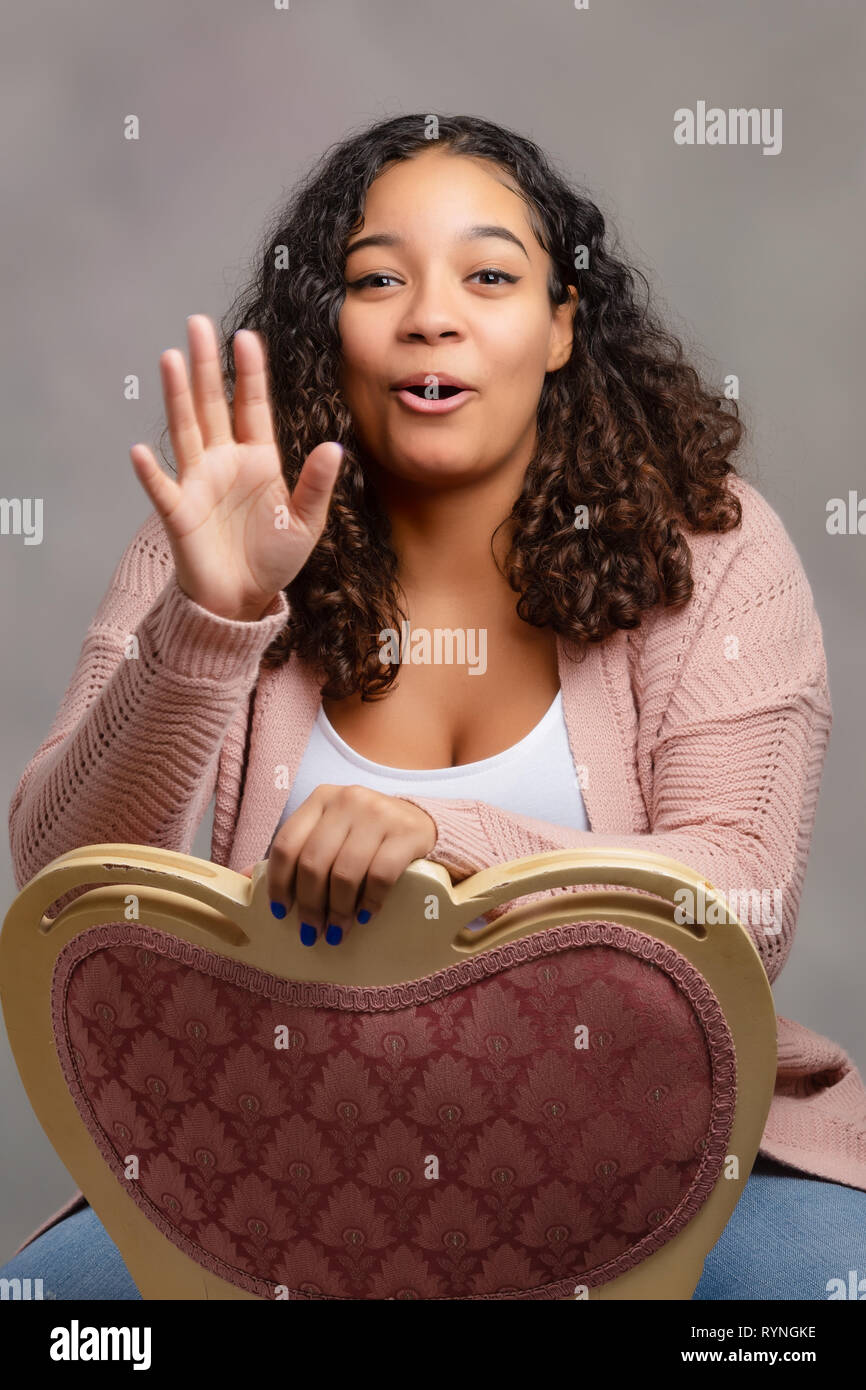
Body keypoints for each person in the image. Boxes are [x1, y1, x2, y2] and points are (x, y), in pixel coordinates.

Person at [3, 113, 865, 1300]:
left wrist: (436, 840)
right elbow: (65, 889)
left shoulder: (709, 545)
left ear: (560, 325)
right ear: (333, 327)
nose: (431, 315)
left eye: (490, 275)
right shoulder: (221, 534)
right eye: (376, 280)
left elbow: (741, 896)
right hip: (277, 1160)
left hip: (672, 1153)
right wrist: (208, 621)